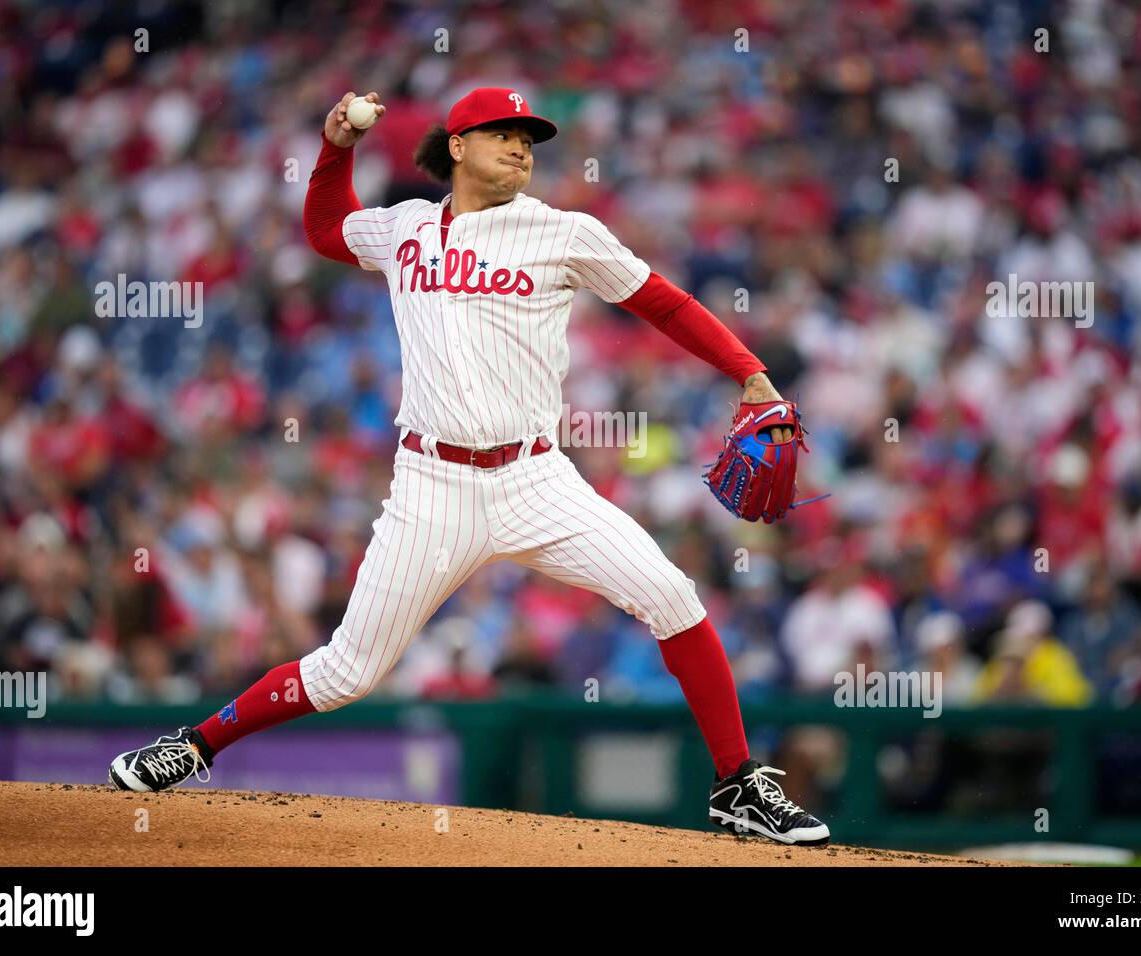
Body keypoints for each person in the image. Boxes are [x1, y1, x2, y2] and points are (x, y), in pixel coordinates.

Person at [107, 87, 829, 846]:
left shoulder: (562, 232)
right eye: (502, 133)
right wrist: (336, 148)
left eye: (529, 139)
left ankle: (737, 784)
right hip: (432, 485)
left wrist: (750, 372)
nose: (520, 147)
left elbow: (666, 304)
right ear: (457, 146)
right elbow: (324, 229)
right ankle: (193, 746)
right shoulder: (405, 228)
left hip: (535, 479)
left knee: (672, 595)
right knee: (347, 672)